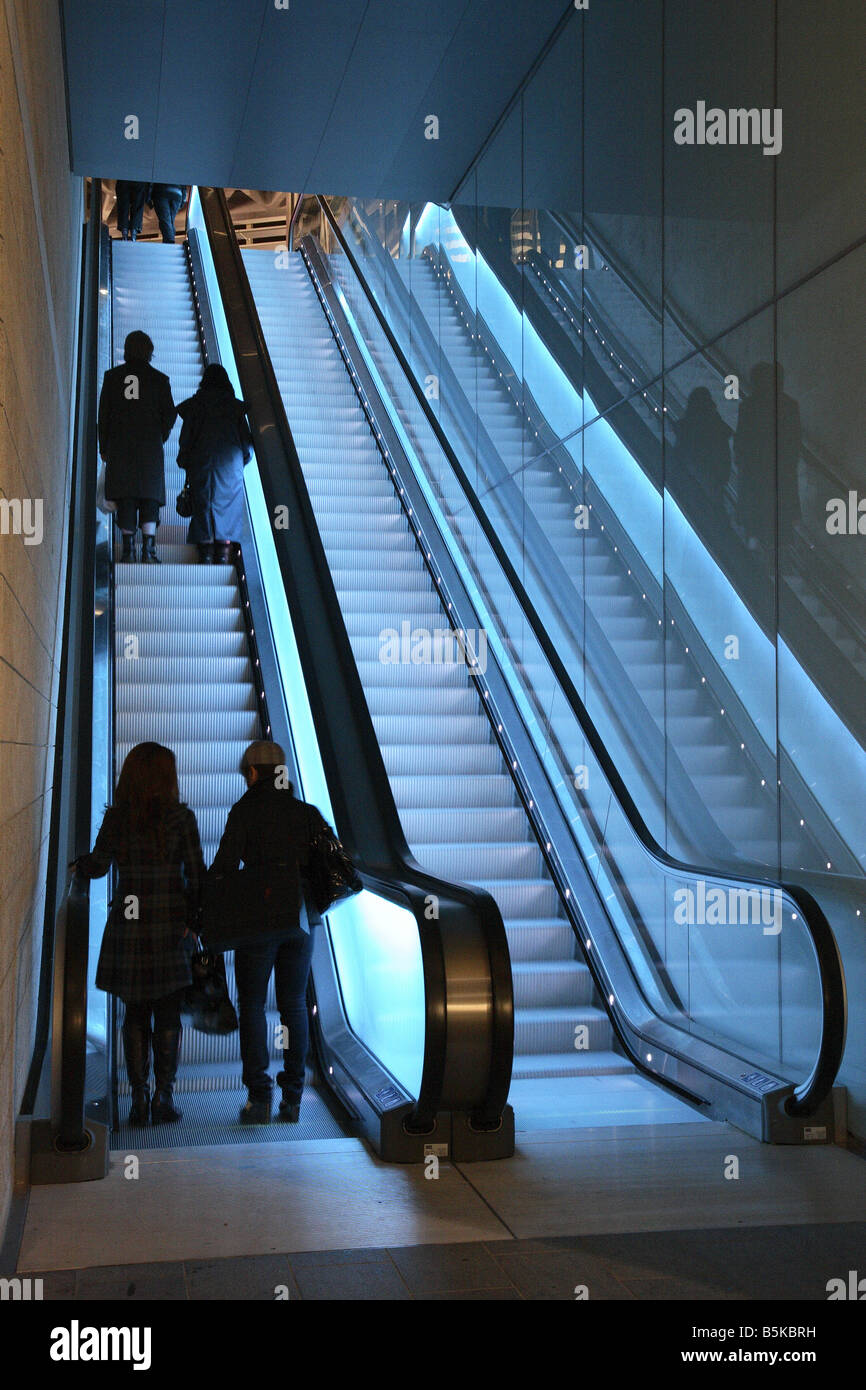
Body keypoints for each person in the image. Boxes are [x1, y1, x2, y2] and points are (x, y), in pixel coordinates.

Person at [75, 744, 205, 1127]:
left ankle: (138, 1100)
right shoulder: (182, 818)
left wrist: (78, 866)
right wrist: (194, 923)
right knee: (167, 1013)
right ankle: (164, 1098)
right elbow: (197, 877)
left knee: (134, 1013)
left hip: (130, 925)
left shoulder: (118, 818)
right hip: (171, 925)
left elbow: (97, 867)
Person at [209, 741, 330, 1124]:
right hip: (300, 920)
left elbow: (224, 866)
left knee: (252, 1005)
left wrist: (205, 910)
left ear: (252, 772)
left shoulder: (245, 811)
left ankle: (259, 1096)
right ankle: (292, 1098)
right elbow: (329, 861)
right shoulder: (306, 812)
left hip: (258, 920)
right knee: (293, 1004)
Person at [97, 329, 176, 562]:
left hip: (120, 447)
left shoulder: (112, 377)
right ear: (149, 352)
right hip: (149, 448)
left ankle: (128, 551)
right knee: (150, 496)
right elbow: (170, 415)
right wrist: (159, 434)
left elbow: (104, 416)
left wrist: (105, 448)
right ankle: (148, 551)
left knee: (126, 496)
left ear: (127, 350)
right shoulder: (160, 380)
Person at [176, 364, 253, 563]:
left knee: (204, 503)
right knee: (228, 507)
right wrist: (241, 461)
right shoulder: (235, 407)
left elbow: (186, 439)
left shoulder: (196, 405)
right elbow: (246, 444)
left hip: (202, 462)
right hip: (230, 464)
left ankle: (206, 553)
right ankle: (224, 554)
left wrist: (184, 459)